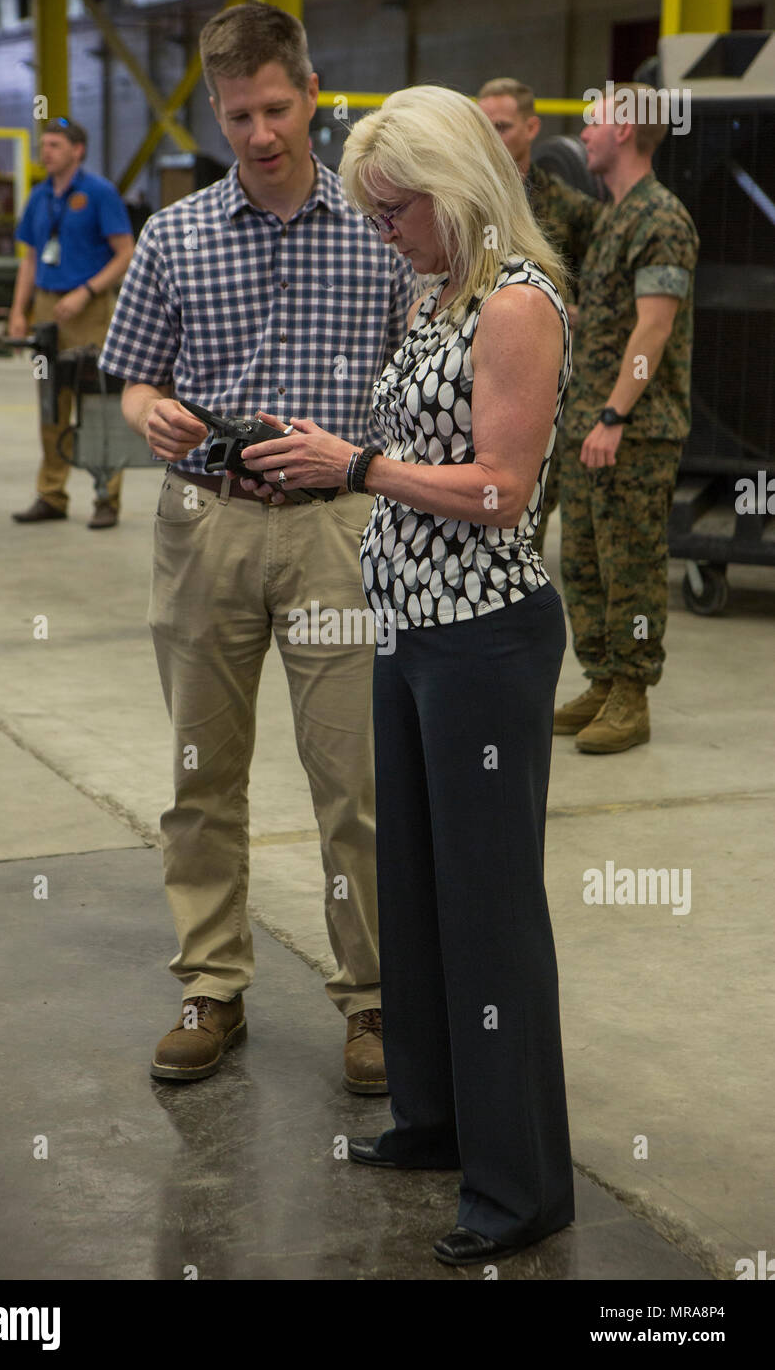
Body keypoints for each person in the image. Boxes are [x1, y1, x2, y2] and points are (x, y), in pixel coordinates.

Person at [240, 84, 575, 1266]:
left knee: (487, 915)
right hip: (409, 629)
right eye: (374, 214)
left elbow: (500, 490)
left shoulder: (518, 306)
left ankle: (520, 1181)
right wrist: (317, 461)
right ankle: (435, 1119)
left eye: (397, 210)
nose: (385, 231)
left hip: (482, 639)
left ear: (457, 184)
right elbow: (405, 459)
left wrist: (360, 464)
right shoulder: (437, 294)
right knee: (420, 896)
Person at [97, 2, 417, 1090]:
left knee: (355, 780)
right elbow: (130, 372)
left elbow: (418, 389)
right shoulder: (176, 236)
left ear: (310, 92)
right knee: (201, 772)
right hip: (205, 526)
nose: (259, 133)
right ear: (215, 110)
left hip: (337, 529)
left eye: (275, 107)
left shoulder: (382, 232)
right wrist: (152, 414)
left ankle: (370, 1001)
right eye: (237, 115)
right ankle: (211, 986)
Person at [554, 83, 699, 752]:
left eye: (596, 120)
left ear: (628, 131)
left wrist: (614, 414)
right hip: (589, 422)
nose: (584, 130)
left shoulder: (660, 219)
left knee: (630, 566)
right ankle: (603, 679)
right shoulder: (615, 215)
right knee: (584, 564)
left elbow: (654, 330)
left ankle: (633, 694)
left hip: (631, 431)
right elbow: (614, 319)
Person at [477, 77, 600, 558]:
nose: (492, 138)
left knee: (531, 501)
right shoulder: (469, 203)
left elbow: (613, 272)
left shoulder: (567, 206)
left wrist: (578, 311)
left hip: (546, 381)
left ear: (531, 128)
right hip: (470, 375)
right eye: (483, 127)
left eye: (502, 127)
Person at [9, 118, 134, 529]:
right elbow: (29, 258)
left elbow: (125, 253)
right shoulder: (39, 196)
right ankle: (51, 493)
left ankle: (106, 498)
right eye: (44, 144)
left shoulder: (99, 193)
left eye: (56, 145)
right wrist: (18, 311)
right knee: (51, 403)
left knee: (98, 402)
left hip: (90, 310)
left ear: (78, 150)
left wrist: (87, 291)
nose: (46, 152)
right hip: (47, 309)